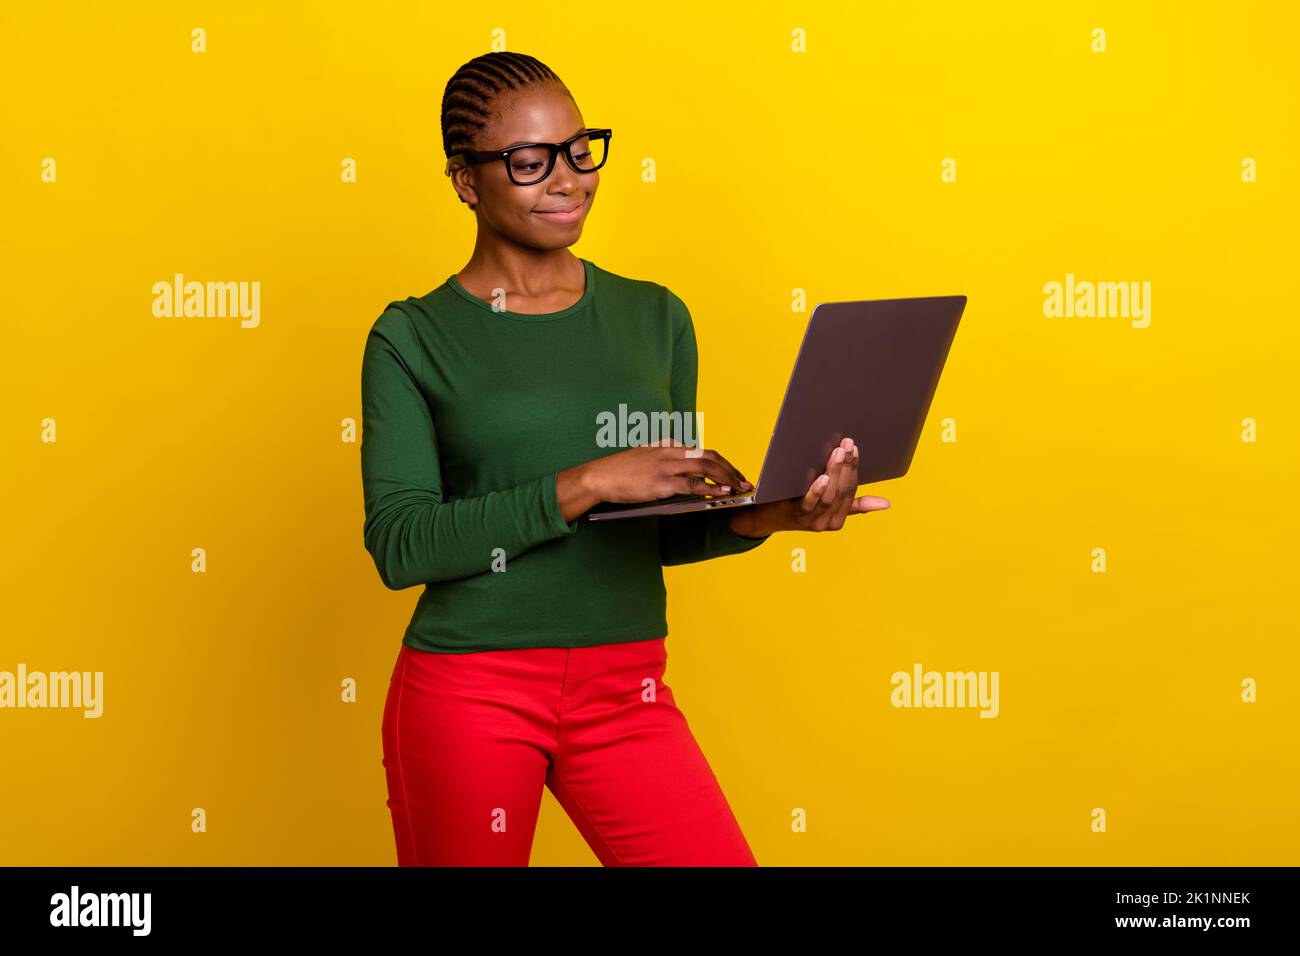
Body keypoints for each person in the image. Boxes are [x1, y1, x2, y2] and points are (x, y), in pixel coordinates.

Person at [360, 51, 891, 867]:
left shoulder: (656, 319)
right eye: (531, 162)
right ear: (467, 181)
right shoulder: (412, 336)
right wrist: (588, 481)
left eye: (580, 149)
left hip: (627, 688)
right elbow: (402, 545)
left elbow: (654, 530)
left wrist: (778, 513)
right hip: (473, 689)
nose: (570, 179)